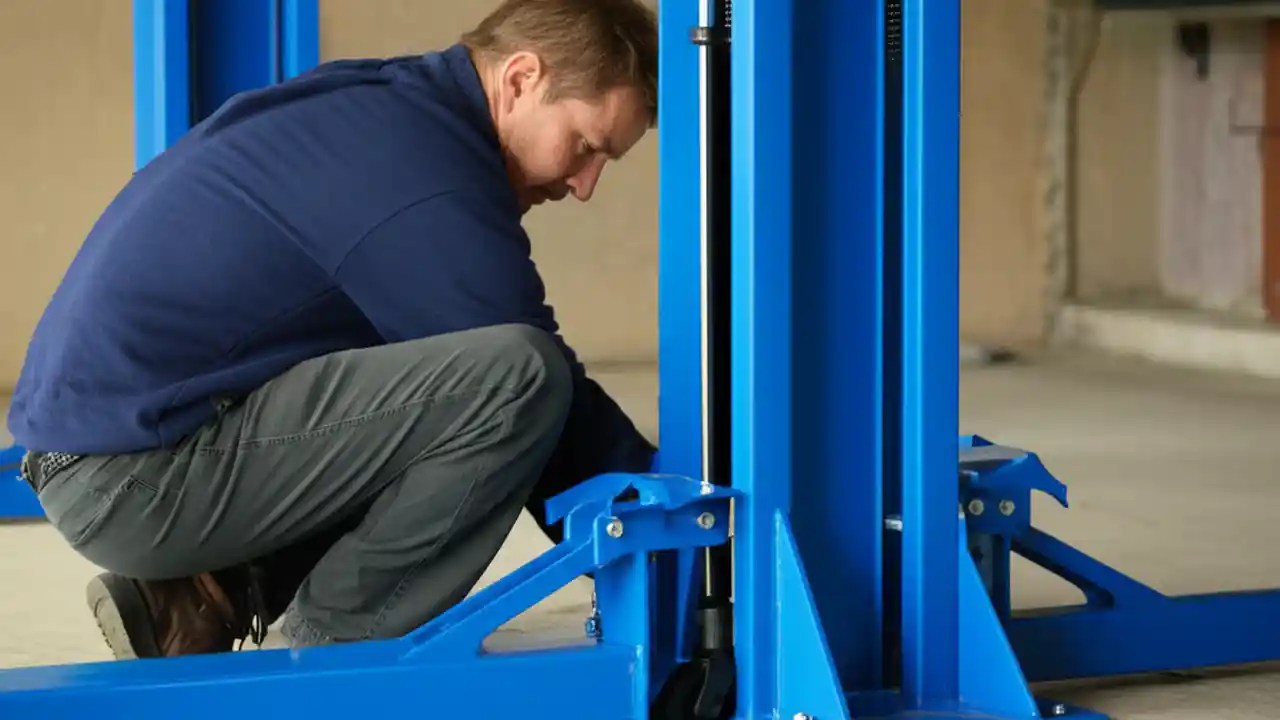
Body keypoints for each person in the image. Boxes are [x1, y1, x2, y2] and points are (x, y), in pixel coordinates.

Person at [8, 0, 658, 658]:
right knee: (517, 380)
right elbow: (556, 416)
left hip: (115, 460)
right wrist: (684, 550)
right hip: (133, 481)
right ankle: (335, 652)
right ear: (521, 78)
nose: (584, 185)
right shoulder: (420, 172)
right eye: (584, 146)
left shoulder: (391, 114)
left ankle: (212, 593)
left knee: (433, 373)